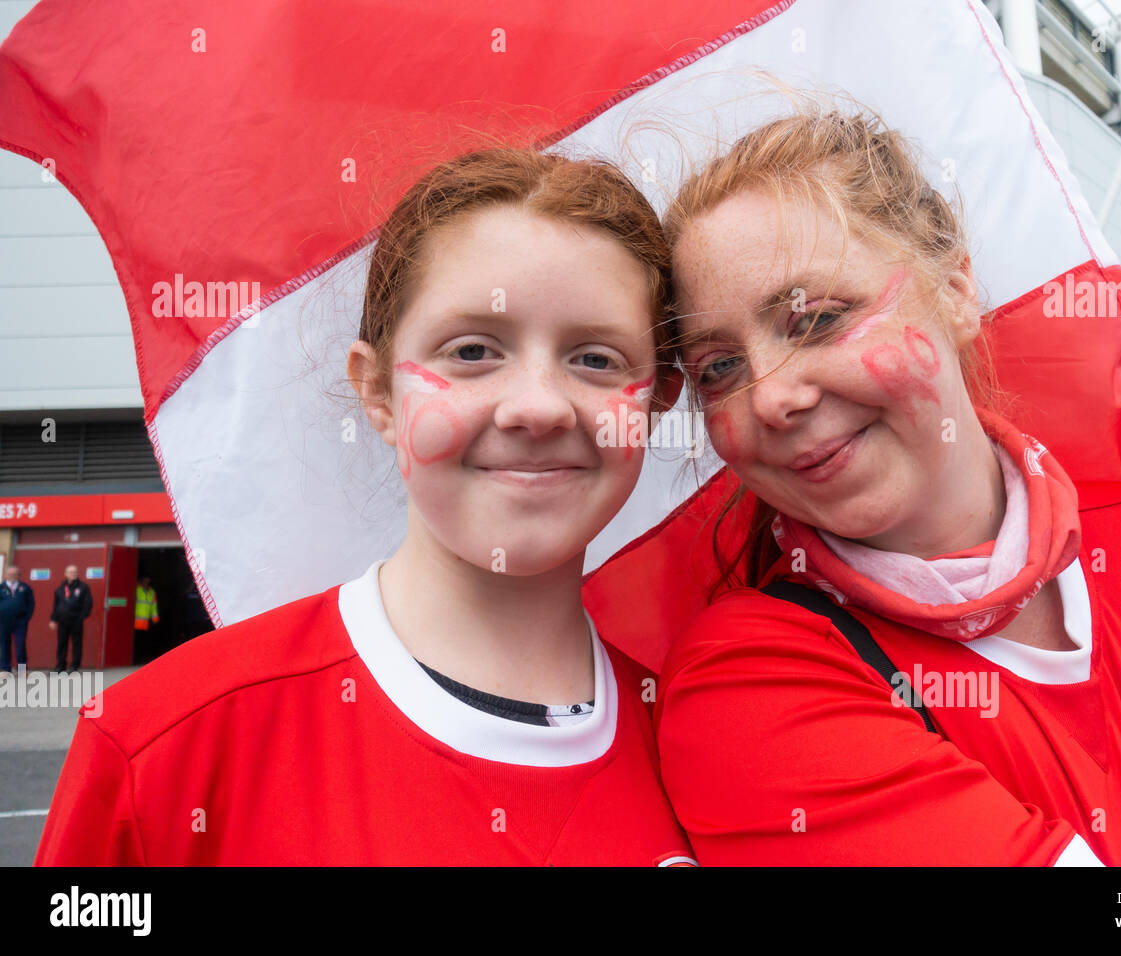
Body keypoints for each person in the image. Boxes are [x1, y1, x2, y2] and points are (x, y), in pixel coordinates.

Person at [653, 107, 1121, 865]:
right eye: (719, 369)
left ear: (957, 290)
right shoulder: (748, 688)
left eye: (818, 319)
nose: (771, 397)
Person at [35, 147, 695, 866]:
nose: (537, 406)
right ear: (377, 391)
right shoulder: (162, 741)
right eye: (472, 351)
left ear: (658, 399)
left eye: (596, 359)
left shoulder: (705, 740)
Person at [48, 564, 93, 673]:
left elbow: (88, 604)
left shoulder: (83, 587)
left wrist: (82, 617)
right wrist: (53, 619)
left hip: (76, 620)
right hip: (62, 621)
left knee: (76, 644)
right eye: (71, 572)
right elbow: (56, 605)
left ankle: (74, 667)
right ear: (65, 574)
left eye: (75, 572)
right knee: (62, 643)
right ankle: (60, 666)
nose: (73, 574)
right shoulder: (60, 588)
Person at [0, 565, 36, 676]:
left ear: (18, 575)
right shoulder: (1, 587)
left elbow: (31, 603)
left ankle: (22, 670)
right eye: (10, 574)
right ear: (6, 575)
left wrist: (27, 617)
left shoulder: (25, 588)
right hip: (3, 621)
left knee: (20, 645)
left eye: (14, 574)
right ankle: (6, 669)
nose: (12, 576)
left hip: (20, 622)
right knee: (5, 645)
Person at [133, 574, 160, 662]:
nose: (146, 581)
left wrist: (155, 619)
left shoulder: (152, 592)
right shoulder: (136, 589)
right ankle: (135, 659)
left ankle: (142, 659)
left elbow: (154, 606)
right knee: (136, 643)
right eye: (145, 579)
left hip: (147, 622)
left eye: (148, 580)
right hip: (135, 622)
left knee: (144, 642)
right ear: (142, 580)